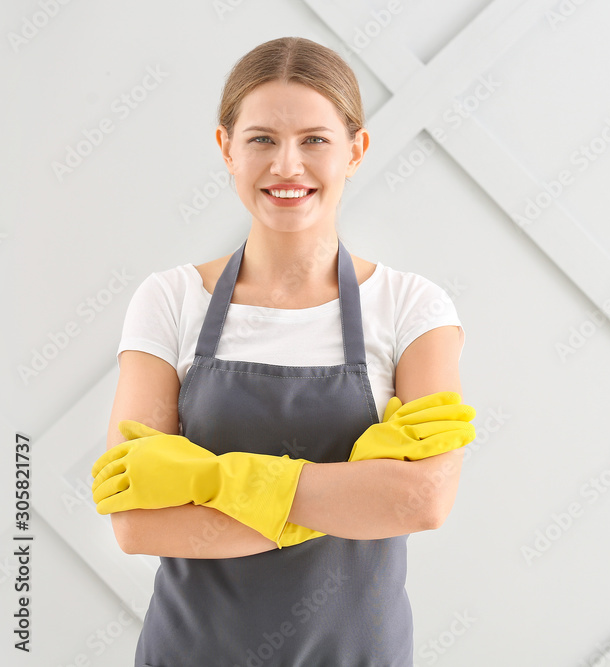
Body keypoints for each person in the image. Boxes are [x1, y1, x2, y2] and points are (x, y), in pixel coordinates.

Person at [89, 36, 477, 666]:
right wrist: (357, 494)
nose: (287, 165)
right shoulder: (169, 300)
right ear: (227, 149)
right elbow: (137, 523)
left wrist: (213, 481)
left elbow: (422, 502)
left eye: (315, 140)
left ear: (357, 150)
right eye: (262, 139)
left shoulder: (413, 308)